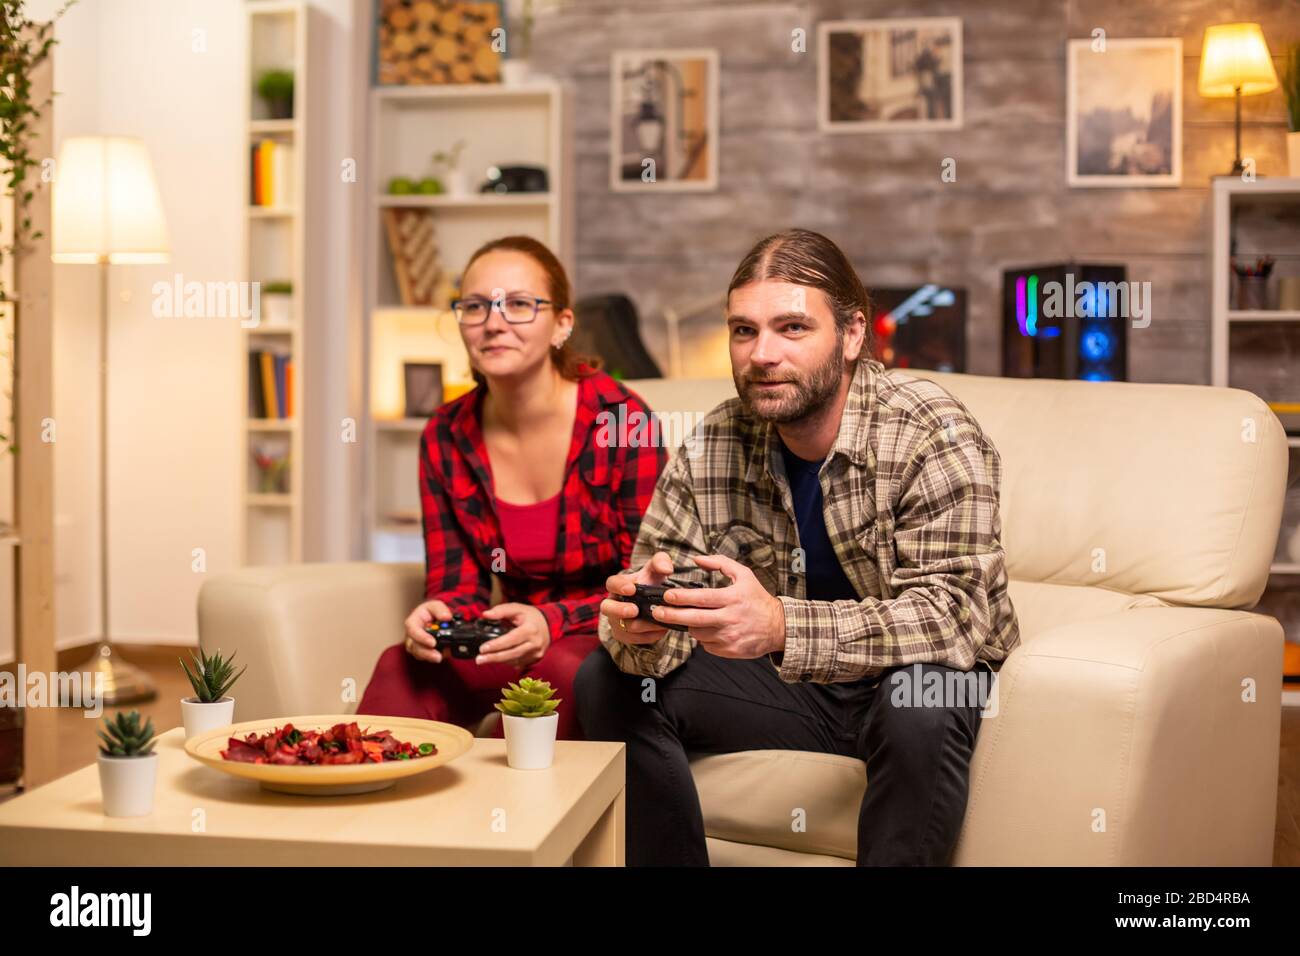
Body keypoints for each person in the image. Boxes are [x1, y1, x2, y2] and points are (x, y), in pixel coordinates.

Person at [576, 227, 1021, 864]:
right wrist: (642, 624)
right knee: (606, 680)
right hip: (801, 688)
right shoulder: (717, 440)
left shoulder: (930, 431)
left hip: (922, 685)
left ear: (852, 335)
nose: (761, 354)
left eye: (791, 328)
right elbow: (656, 584)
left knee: (917, 698)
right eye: (743, 330)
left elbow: (952, 620)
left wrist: (780, 622)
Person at [358, 236, 666, 741]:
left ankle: (491, 817)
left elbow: (647, 585)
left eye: (520, 305)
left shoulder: (623, 421)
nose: (494, 322)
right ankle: (362, 805)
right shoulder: (445, 435)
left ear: (562, 325)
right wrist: (439, 616)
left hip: (603, 639)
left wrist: (551, 620)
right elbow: (457, 583)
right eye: (475, 306)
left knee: (565, 675)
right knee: (399, 665)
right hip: (508, 638)